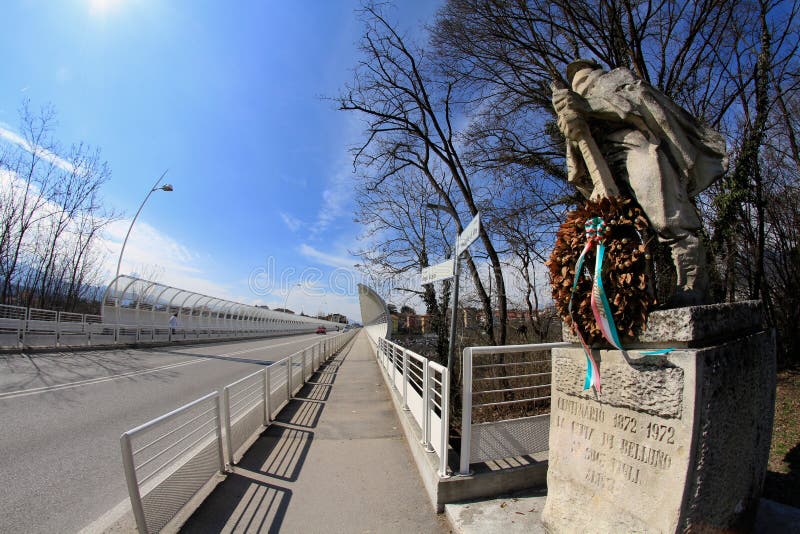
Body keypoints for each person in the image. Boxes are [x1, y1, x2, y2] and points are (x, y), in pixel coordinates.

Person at [552, 59, 727, 305]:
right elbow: (576, 151)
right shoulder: (571, 98)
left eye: (581, 74)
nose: (578, 79)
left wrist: (588, 106)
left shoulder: (614, 79)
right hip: (603, 168)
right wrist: (571, 127)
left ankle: (692, 282)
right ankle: (630, 300)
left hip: (636, 148)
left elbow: (639, 102)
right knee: (612, 232)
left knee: (666, 216)